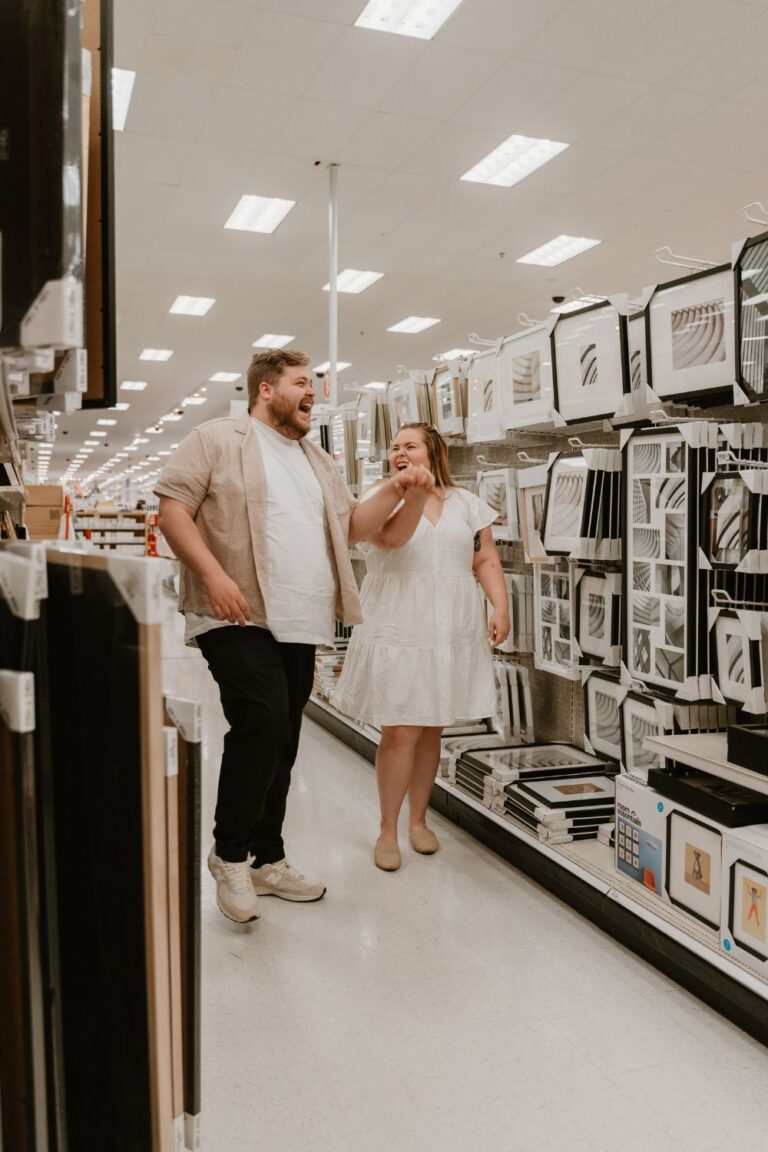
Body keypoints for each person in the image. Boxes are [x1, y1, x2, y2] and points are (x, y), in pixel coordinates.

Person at [155, 350, 434, 923]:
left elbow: (353, 526)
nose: (314, 395)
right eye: (302, 384)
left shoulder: (316, 460)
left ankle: (267, 857)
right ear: (265, 390)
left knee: (282, 738)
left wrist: (399, 484)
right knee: (259, 720)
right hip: (234, 612)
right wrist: (213, 575)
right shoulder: (216, 438)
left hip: (300, 619)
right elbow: (173, 510)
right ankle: (230, 854)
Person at [332, 423, 510, 871]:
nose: (398, 451)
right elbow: (392, 539)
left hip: (449, 623)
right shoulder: (380, 496)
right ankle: (387, 828)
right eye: (394, 446)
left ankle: (418, 820)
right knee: (402, 727)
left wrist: (501, 606)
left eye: (409, 445)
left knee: (432, 725)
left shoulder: (467, 503)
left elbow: (485, 557)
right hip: (399, 621)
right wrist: (409, 491)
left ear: (434, 452)